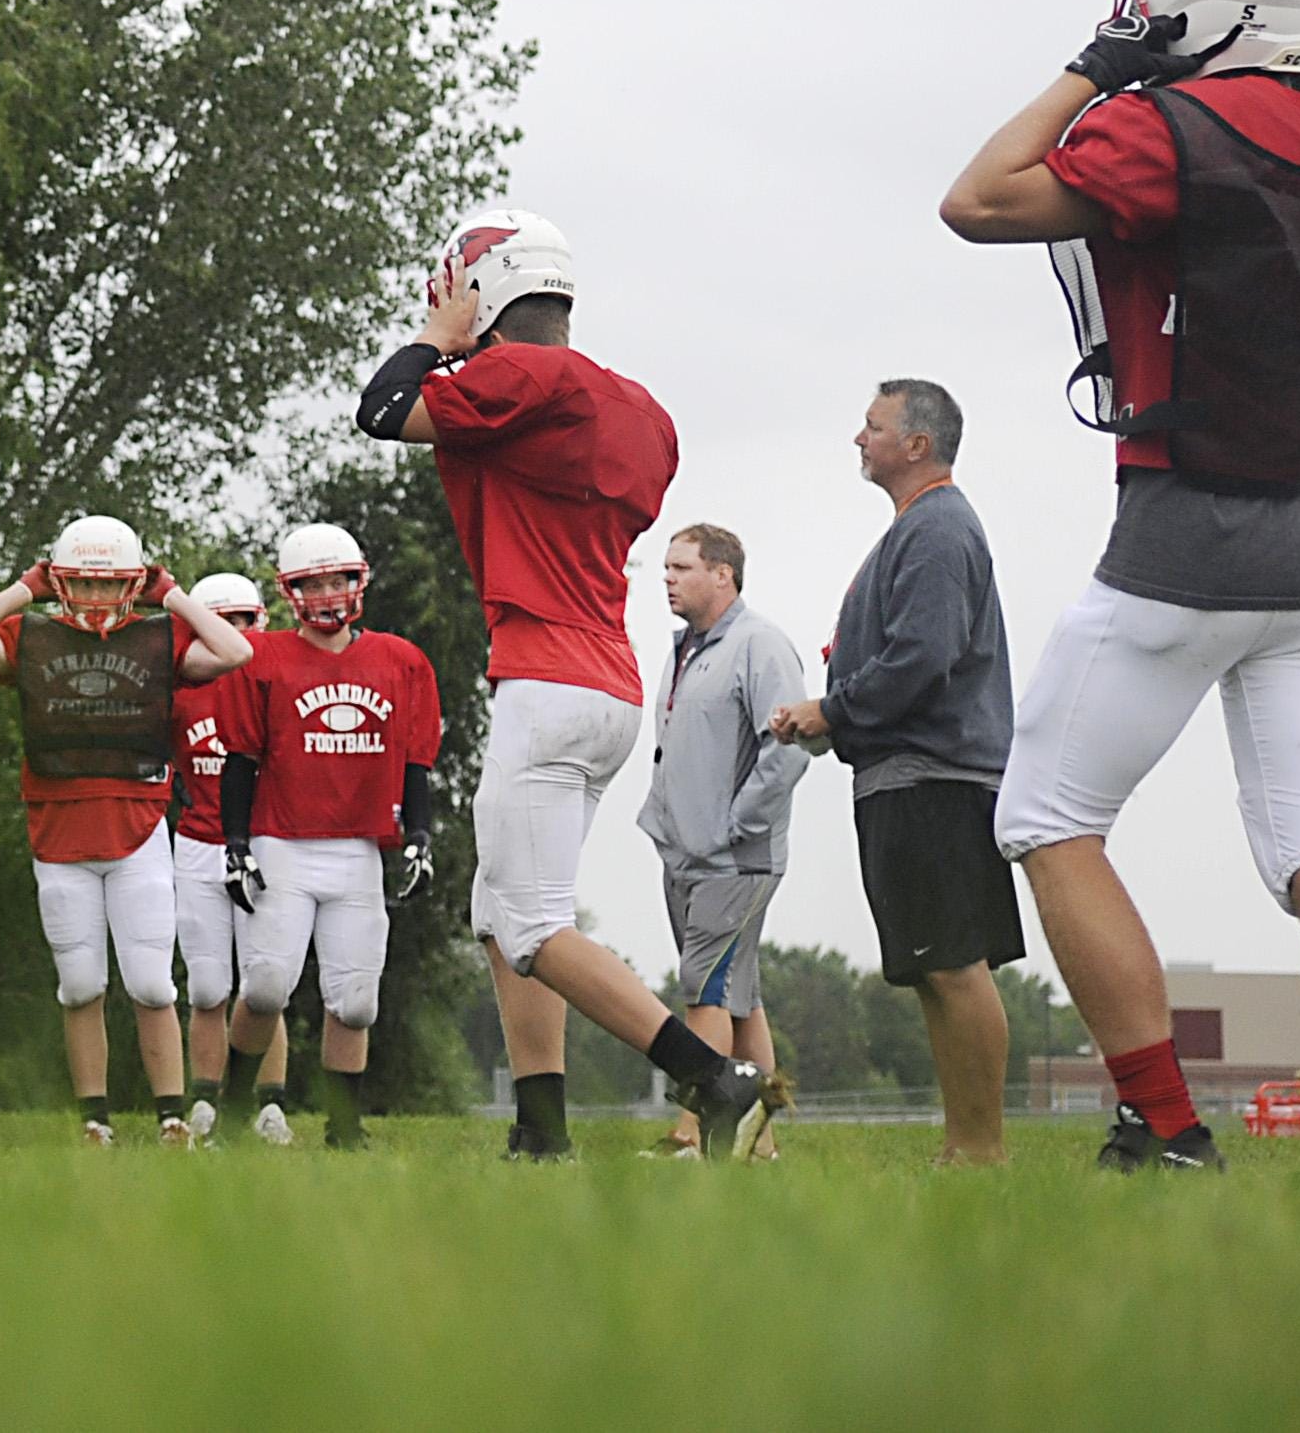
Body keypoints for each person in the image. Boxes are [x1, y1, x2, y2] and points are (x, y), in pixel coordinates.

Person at [941, 0, 1300, 1174]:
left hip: (1192, 526)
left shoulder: (1175, 123)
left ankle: (1161, 1125)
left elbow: (979, 197)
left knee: (1047, 809)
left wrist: (1091, 70)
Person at [355, 205, 785, 1160]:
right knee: (496, 917)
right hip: (608, 685)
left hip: (544, 680)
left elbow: (382, 407)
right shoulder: (638, 406)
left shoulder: (515, 374)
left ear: (483, 290)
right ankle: (539, 1129)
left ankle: (714, 1079)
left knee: (533, 923)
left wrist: (439, 336)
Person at [767, 385, 1022, 1163]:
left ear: (916, 444)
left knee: (951, 964)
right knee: (931, 970)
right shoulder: (917, 527)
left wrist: (831, 709)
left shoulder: (938, 526)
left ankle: (979, 1149)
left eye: (872, 426)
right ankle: (962, 1145)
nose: (857, 436)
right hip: (908, 774)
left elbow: (922, 656)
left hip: (933, 776)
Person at [0, 515, 254, 1144]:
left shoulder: (158, 634)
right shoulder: (31, 634)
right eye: (80, 584)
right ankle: (95, 1116)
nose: (93, 598)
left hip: (137, 823)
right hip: (57, 826)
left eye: (108, 584)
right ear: (59, 583)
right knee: (81, 983)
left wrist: (170, 593)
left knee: (148, 980)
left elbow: (237, 651)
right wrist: (23, 588)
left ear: (132, 583)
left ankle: (171, 1114)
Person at [218, 523, 442, 1151]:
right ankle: (235, 1111)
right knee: (265, 984)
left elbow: (415, 762)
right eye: (309, 582)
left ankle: (345, 1128)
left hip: (359, 847)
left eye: (335, 579)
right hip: (282, 842)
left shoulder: (402, 661)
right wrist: (236, 845)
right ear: (290, 591)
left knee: (357, 1000)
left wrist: (419, 834)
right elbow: (240, 759)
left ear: (358, 580)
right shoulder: (262, 658)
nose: (325, 593)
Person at [641, 521, 806, 1157]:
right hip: (682, 855)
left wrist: (738, 825)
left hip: (735, 862)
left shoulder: (760, 644)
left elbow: (788, 752)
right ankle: (761, 1147)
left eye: (682, 568)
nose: (668, 579)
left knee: (703, 985)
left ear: (722, 574)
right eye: (666, 569)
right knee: (740, 996)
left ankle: (691, 1135)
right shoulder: (684, 647)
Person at [169, 570, 277, 1142]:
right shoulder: (181, 689)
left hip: (262, 842)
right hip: (196, 842)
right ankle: (206, 1099)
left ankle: (269, 1102)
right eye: (222, 619)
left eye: (242, 620)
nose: (232, 631)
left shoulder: (271, 683)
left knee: (266, 983)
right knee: (208, 986)